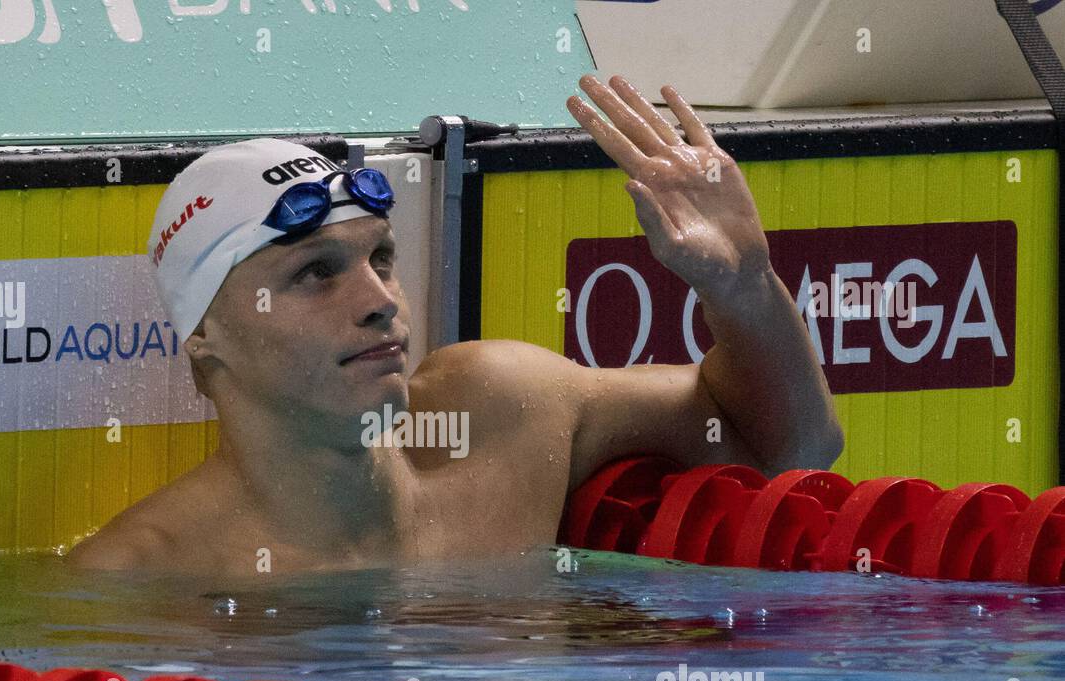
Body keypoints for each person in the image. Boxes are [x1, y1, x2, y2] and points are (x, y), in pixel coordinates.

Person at [68, 75, 843, 575]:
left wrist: (743, 287)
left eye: (382, 258)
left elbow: (794, 448)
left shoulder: (508, 412)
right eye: (314, 274)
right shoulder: (145, 581)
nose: (379, 301)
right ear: (204, 335)